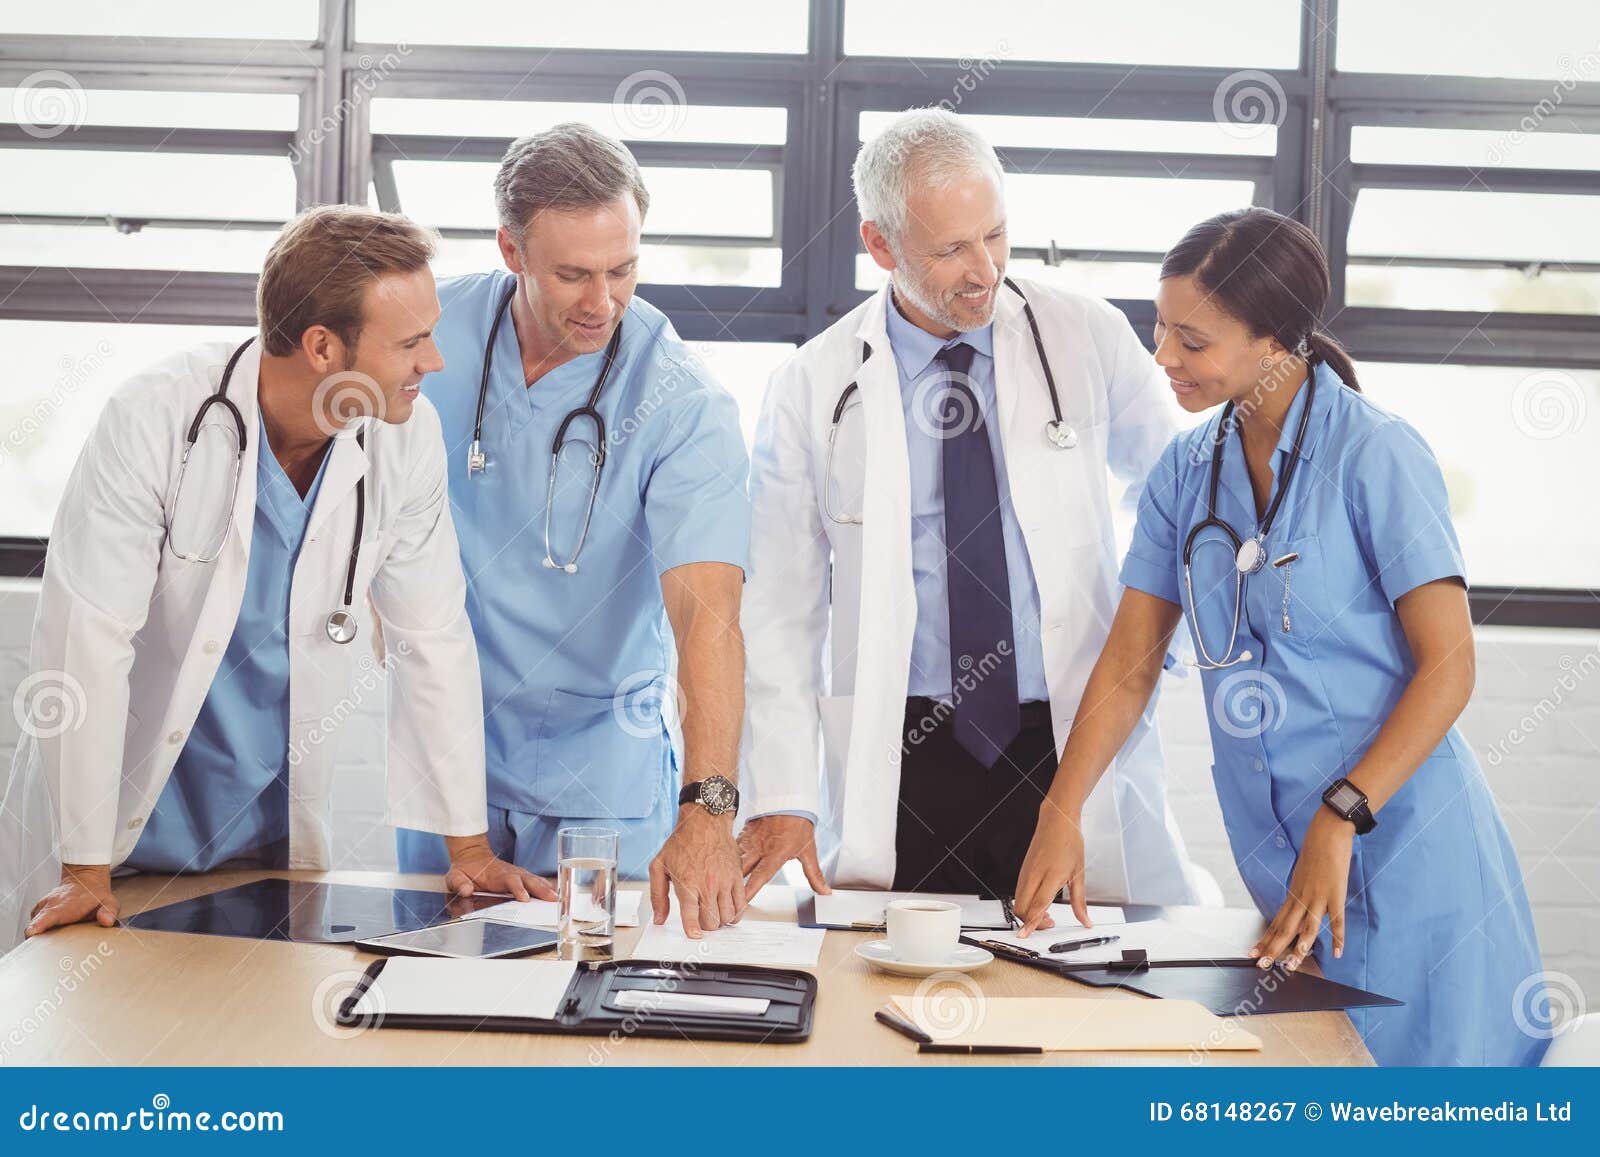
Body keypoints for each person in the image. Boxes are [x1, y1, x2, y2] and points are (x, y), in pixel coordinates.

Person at [1012, 206, 1548, 1066]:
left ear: (1274, 341)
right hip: (1289, 873)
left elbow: (1449, 667)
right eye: (1160, 328)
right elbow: (1131, 658)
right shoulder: (1186, 472)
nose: (1163, 357)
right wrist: (1062, 805)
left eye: (1193, 340)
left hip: (1414, 856)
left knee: (1437, 1104)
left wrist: (1343, 812)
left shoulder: (1376, 454)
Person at [2, 206, 544, 950]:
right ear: (322, 346)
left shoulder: (404, 438)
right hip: (110, 833)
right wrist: (84, 866)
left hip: (265, 841)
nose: (435, 362)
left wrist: (469, 847)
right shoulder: (156, 417)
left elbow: (433, 639)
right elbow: (87, 639)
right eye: (411, 342)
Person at [737, 108, 1196, 906]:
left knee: (1078, 965)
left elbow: (1180, 500)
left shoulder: (1083, 335)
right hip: (905, 746)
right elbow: (778, 606)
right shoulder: (813, 384)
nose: (984, 270)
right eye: (950, 250)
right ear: (881, 245)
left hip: (1065, 735)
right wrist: (783, 791)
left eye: (996, 234)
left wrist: (1154, 646)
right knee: (894, 969)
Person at [396, 124, 752, 938]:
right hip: (447, 759)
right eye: (573, 274)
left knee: (587, 988)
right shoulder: (430, 332)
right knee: (425, 983)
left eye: (622, 269)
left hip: (599, 779)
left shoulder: (683, 402)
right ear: (511, 250)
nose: (602, 302)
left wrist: (709, 810)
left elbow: (709, 617)